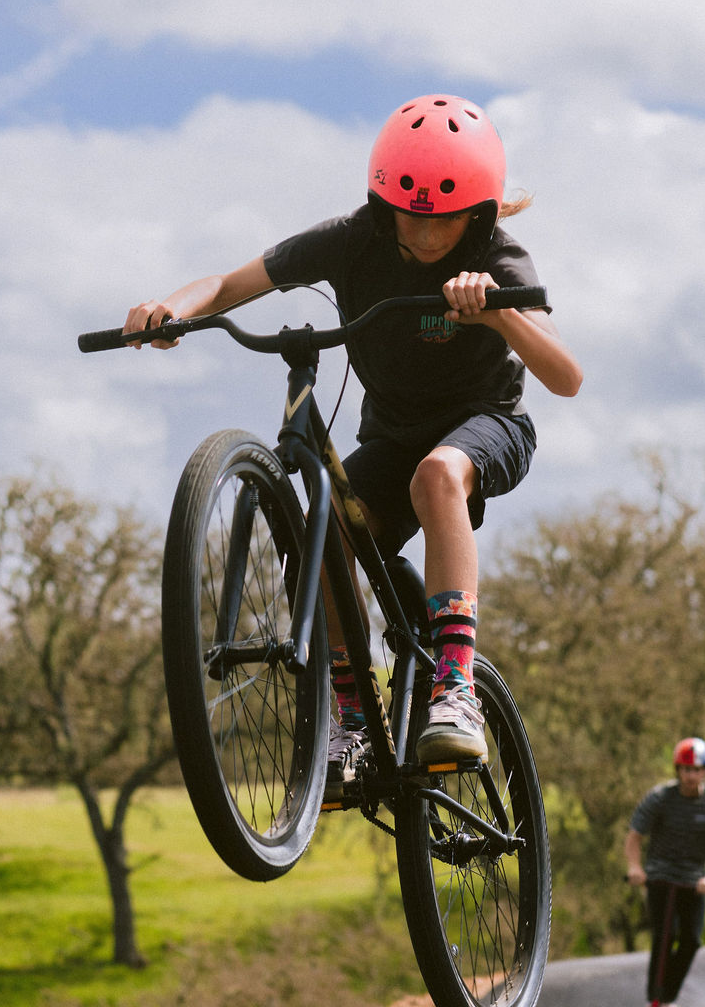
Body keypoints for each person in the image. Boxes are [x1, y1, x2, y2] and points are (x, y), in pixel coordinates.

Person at [122, 95, 582, 777]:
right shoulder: (351, 240)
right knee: (325, 527)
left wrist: (498, 315)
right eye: (410, 215)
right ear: (382, 202)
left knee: (437, 475)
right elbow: (226, 283)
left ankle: (456, 688)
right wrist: (170, 310)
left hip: (489, 425)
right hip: (393, 439)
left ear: (480, 213)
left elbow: (566, 376)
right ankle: (355, 717)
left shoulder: (498, 256)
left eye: (447, 218)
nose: (427, 235)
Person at [624, 737, 705, 1007]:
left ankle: (669, 998)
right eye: (686, 769)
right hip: (660, 876)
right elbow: (634, 836)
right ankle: (654, 1000)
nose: (690, 776)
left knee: (692, 940)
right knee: (665, 935)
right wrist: (635, 867)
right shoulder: (659, 798)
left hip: (695, 881)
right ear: (678, 770)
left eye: (696, 770)